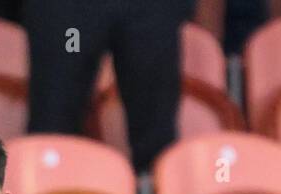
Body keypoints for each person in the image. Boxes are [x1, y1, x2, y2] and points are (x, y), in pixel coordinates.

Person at [24, 0, 190, 172]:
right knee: (53, 130)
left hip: (150, 7)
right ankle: (47, 193)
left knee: (157, 143)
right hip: (69, 12)